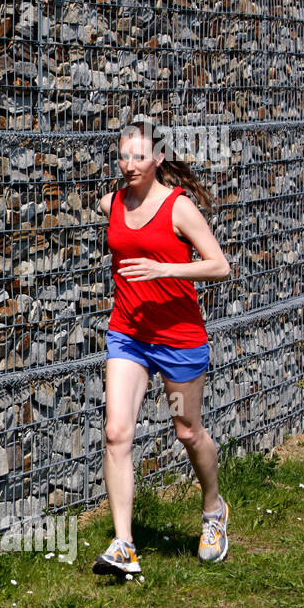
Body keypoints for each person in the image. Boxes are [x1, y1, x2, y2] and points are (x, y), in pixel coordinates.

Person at [91, 117, 232, 577]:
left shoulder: (178, 207)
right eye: (123, 155)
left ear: (157, 159)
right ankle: (124, 545)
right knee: (116, 432)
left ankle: (213, 510)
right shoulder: (112, 202)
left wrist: (165, 270)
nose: (130, 164)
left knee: (188, 433)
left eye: (139, 155)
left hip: (178, 339)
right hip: (128, 335)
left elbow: (219, 267)